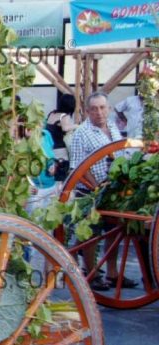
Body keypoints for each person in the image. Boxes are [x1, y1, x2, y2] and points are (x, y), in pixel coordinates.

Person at [69, 91, 132, 291]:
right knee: (92, 234)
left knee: (113, 232)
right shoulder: (81, 133)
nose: (99, 112)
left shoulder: (113, 128)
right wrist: (97, 187)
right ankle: (93, 274)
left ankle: (112, 273)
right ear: (87, 111)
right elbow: (78, 167)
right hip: (90, 191)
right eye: (94, 109)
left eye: (102, 107)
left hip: (114, 189)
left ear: (109, 108)